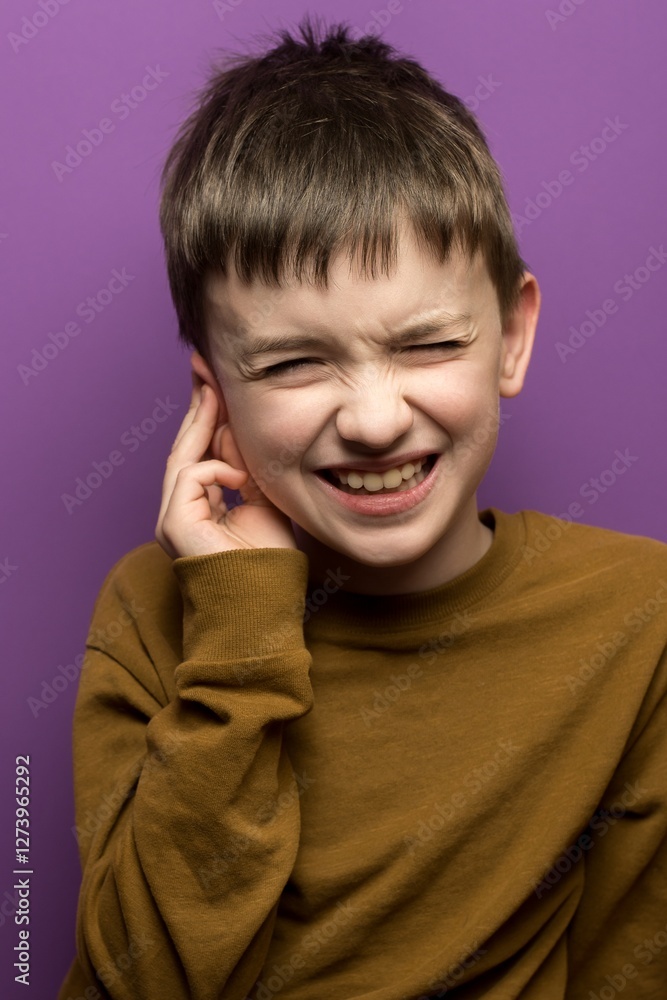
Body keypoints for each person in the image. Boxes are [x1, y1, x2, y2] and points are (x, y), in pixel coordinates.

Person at [58, 15, 667, 1000]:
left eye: (428, 345)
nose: (376, 421)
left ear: (510, 337)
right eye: (293, 363)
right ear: (214, 397)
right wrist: (242, 633)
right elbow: (137, 980)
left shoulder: (640, 619)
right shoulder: (153, 610)